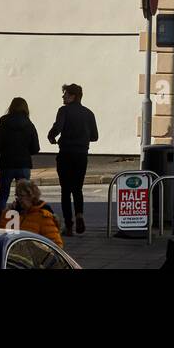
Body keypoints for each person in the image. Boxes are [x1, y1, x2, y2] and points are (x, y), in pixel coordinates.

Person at [47, 83, 98, 236]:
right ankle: (80, 215)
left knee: (65, 190)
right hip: (82, 154)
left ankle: (68, 225)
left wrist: (51, 136)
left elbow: (58, 127)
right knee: (77, 188)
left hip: (66, 153)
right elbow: (95, 136)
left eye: (65, 94)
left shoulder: (64, 111)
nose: (63, 97)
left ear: (73, 96)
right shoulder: (88, 113)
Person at [0, 97, 40, 225]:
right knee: (25, 196)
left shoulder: (3, 123)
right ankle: (23, 223)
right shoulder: (29, 125)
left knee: (3, 195)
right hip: (23, 164)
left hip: (7, 163)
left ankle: (0, 222)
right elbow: (35, 148)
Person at [0, 178, 63, 248]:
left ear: (31, 196)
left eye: (22, 196)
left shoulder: (43, 216)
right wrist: (7, 213)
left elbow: (56, 245)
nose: (19, 199)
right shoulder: (13, 213)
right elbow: (1, 237)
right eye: (17, 196)